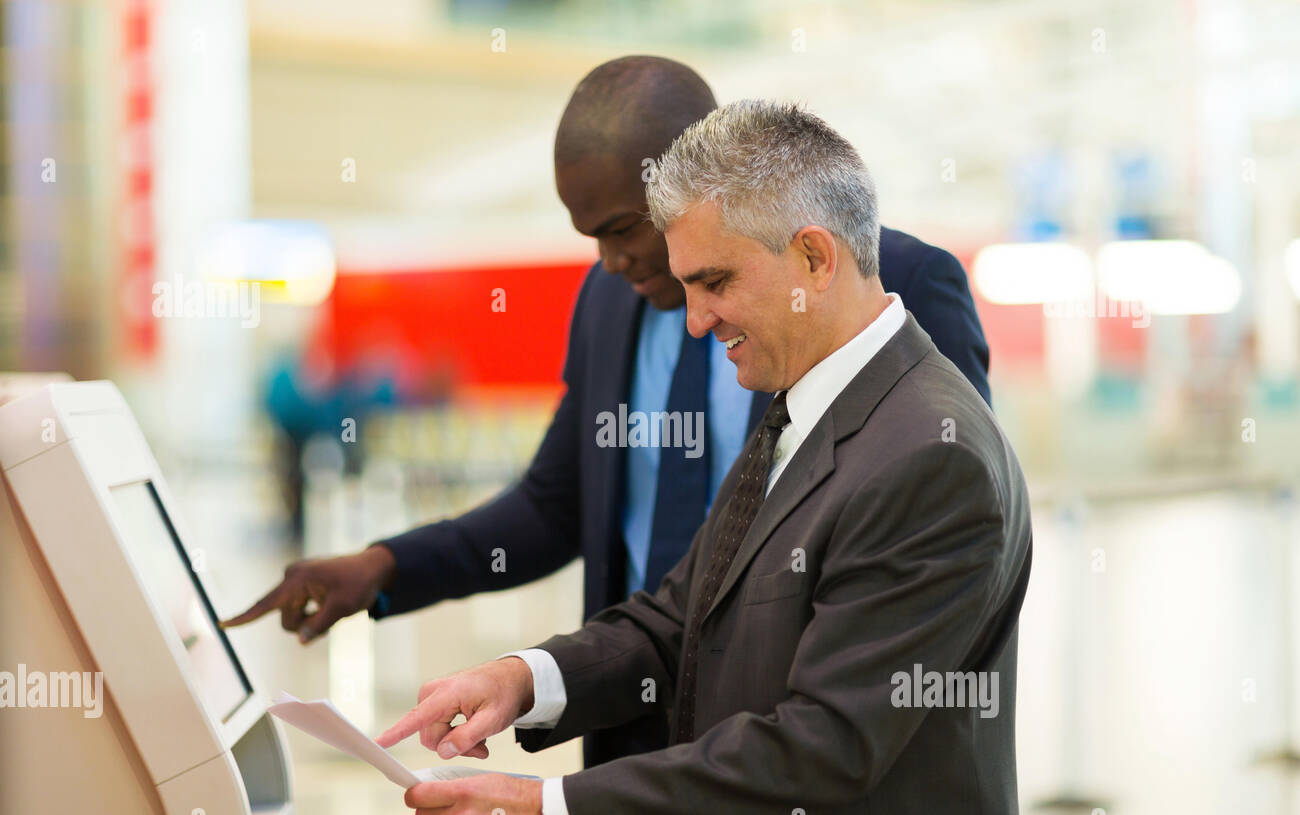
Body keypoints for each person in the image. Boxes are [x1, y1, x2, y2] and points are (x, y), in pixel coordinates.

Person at [223, 56, 994, 773]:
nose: (610, 261)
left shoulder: (894, 284)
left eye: (625, 229)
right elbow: (557, 504)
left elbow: (945, 518)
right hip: (631, 711)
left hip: (801, 736)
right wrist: (386, 568)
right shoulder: (607, 305)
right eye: (589, 236)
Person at [373, 100, 1034, 815]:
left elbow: (825, 744)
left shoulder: (929, 454)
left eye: (715, 281)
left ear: (815, 260)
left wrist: (551, 813)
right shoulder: (802, 406)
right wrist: (521, 680)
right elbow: (680, 618)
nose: (694, 322)